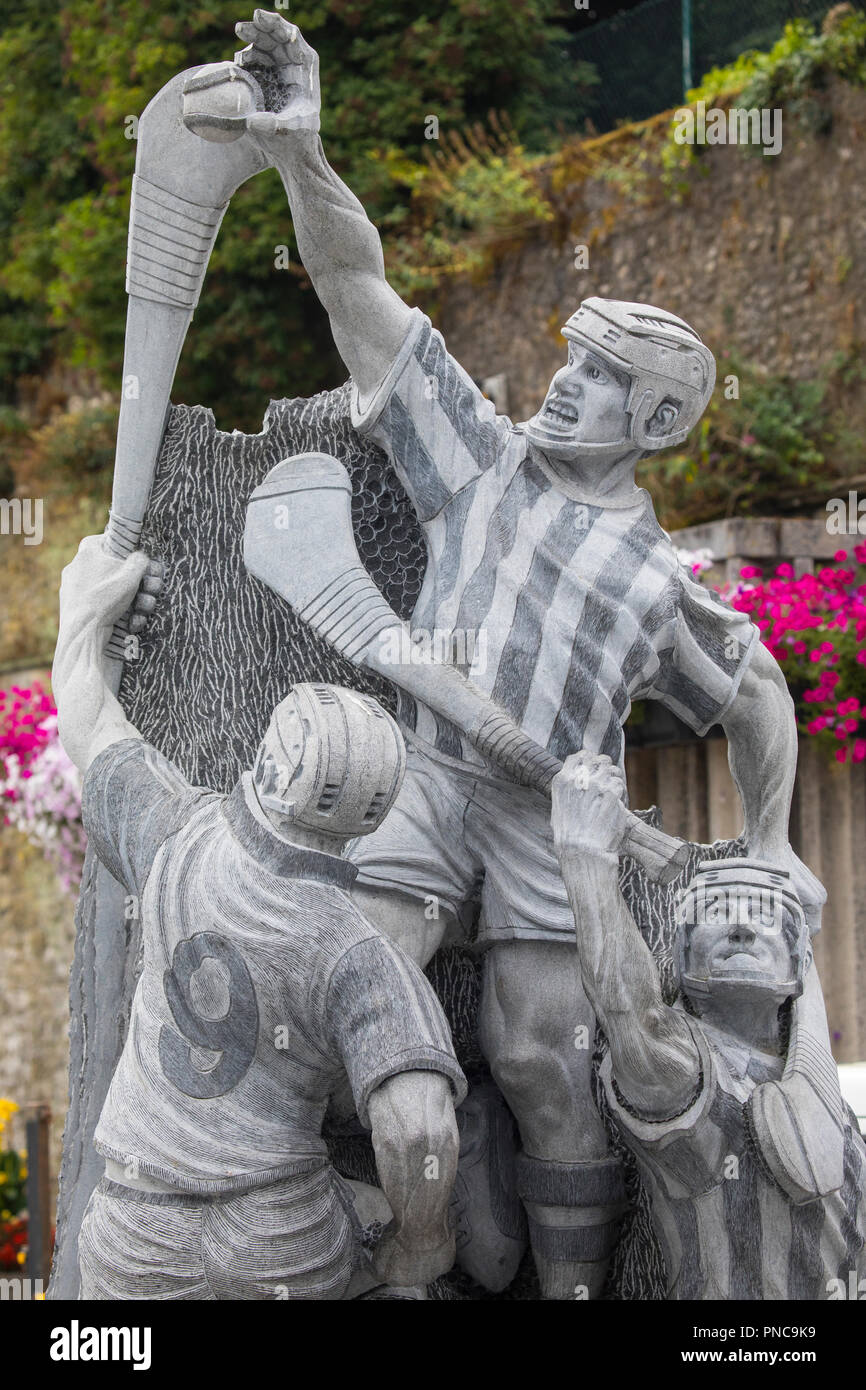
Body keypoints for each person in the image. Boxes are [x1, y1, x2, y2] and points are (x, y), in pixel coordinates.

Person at [218, 9, 826, 1299]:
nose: (561, 383)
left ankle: (566, 1291)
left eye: (597, 379)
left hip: (560, 822)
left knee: (549, 1061)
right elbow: (357, 293)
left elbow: (761, 695)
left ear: (650, 420)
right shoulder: (476, 460)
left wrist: (768, 842)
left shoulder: (661, 585)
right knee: (352, 973)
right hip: (426, 774)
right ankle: (391, 1225)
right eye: (569, 359)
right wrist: (302, 160)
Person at [52, 536, 466, 1300]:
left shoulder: (172, 835)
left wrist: (84, 607)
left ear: (270, 759)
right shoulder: (359, 949)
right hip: (281, 1240)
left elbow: (85, 710)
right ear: (368, 820)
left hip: (136, 1230)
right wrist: (420, 1244)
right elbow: (418, 1127)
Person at [551, 751, 865, 1299]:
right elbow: (633, 1015)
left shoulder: (831, 1105)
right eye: (715, 912)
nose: (740, 927)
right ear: (681, 953)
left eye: (765, 915)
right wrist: (585, 860)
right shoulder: (691, 1074)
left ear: (799, 965)